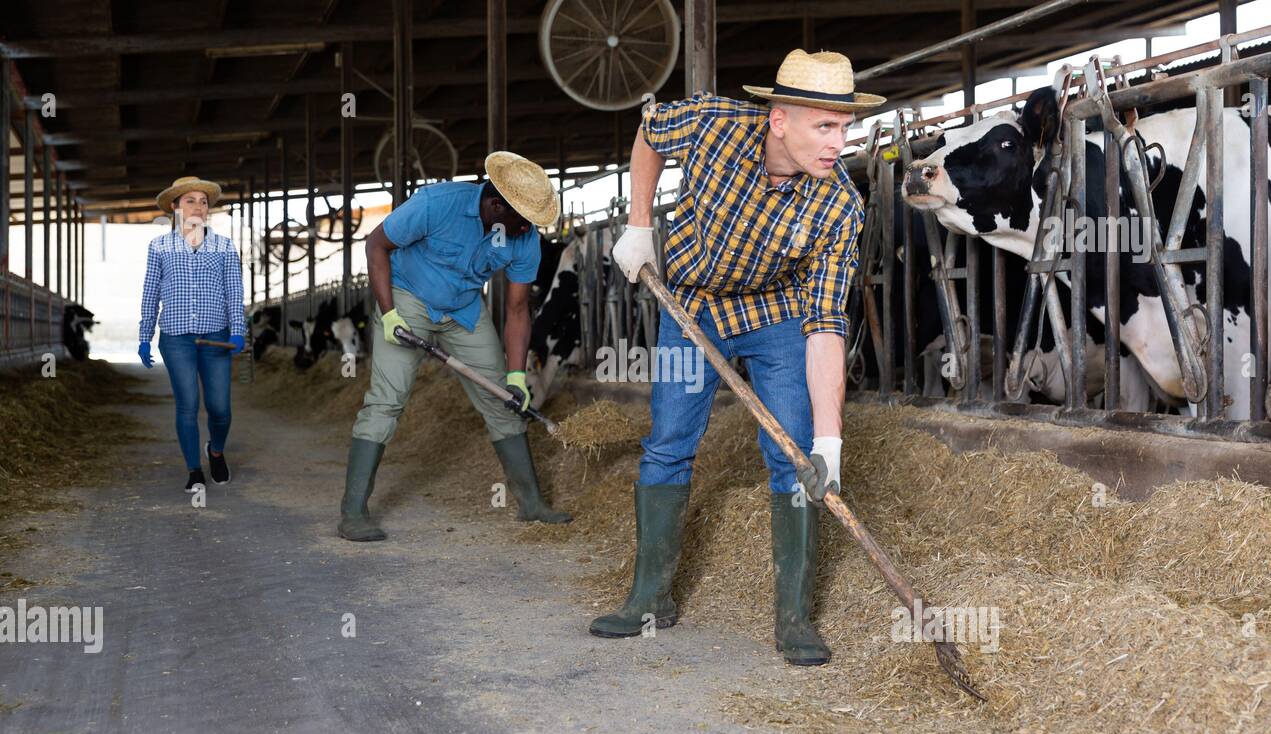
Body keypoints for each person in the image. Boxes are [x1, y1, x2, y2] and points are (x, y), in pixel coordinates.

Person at [588, 50, 884, 666]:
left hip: (775, 316)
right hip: (691, 307)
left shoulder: (840, 206)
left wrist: (828, 444)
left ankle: (795, 615)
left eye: (846, 127)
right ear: (779, 120)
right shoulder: (712, 123)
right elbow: (648, 131)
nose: (840, 142)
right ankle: (649, 598)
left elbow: (826, 325)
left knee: (793, 452)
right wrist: (639, 225)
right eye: (825, 126)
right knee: (668, 438)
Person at [338, 152, 571, 541]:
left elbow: (516, 309)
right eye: (520, 220)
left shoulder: (524, 238)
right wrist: (390, 314)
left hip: (464, 310)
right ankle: (353, 513)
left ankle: (532, 504)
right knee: (387, 401)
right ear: (496, 204)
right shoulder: (436, 204)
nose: (526, 229)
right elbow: (376, 246)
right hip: (407, 298)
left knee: (503, 401)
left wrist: (515, 375)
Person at [139, 176, 247, 493]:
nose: (198, 206)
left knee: (220, 408)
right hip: (176, 338)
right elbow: (150, 293)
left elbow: (233, 291)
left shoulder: (224, 246)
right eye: (190, 200)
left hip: (216, 337)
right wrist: (145, 335)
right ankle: (193, 470)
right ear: (175, 207)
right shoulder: (159, 246)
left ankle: (215, 450)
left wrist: (238, 331)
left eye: (203, 201)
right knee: (187, 404)